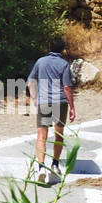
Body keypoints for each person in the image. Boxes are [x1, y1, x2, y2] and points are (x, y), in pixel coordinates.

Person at [26, 36, 76, 185]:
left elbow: (30, 83)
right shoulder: (64, 64)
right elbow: (66, 87)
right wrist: (72, 107)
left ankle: (41, 167)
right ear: (63, 50)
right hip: (59, 102)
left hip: (44, 102)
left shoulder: (40, 62)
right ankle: (54, 164)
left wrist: (35, 98)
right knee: (59, 134)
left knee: (41, 136)